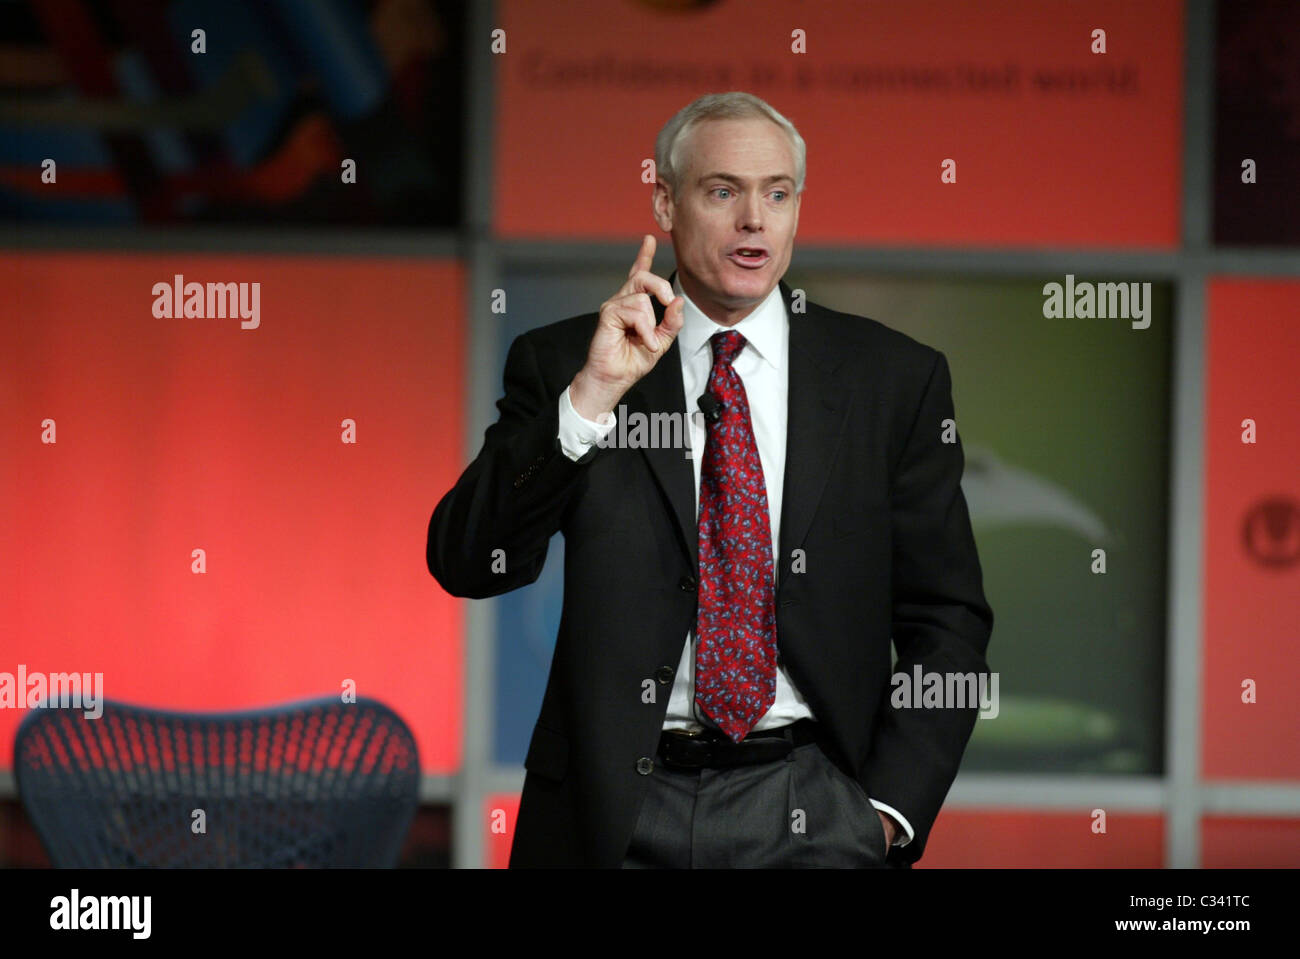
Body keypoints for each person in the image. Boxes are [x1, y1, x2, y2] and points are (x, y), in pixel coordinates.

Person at [427, 91, 993, 868]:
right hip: (613, 814)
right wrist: (589, 400)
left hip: (816, 805)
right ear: (665, 200)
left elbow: (948, 618)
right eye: (723, 191)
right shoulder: (569, 362)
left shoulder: (893, 380)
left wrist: (886, 811)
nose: (754, 219)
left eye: (777, 192)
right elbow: (467, 559)